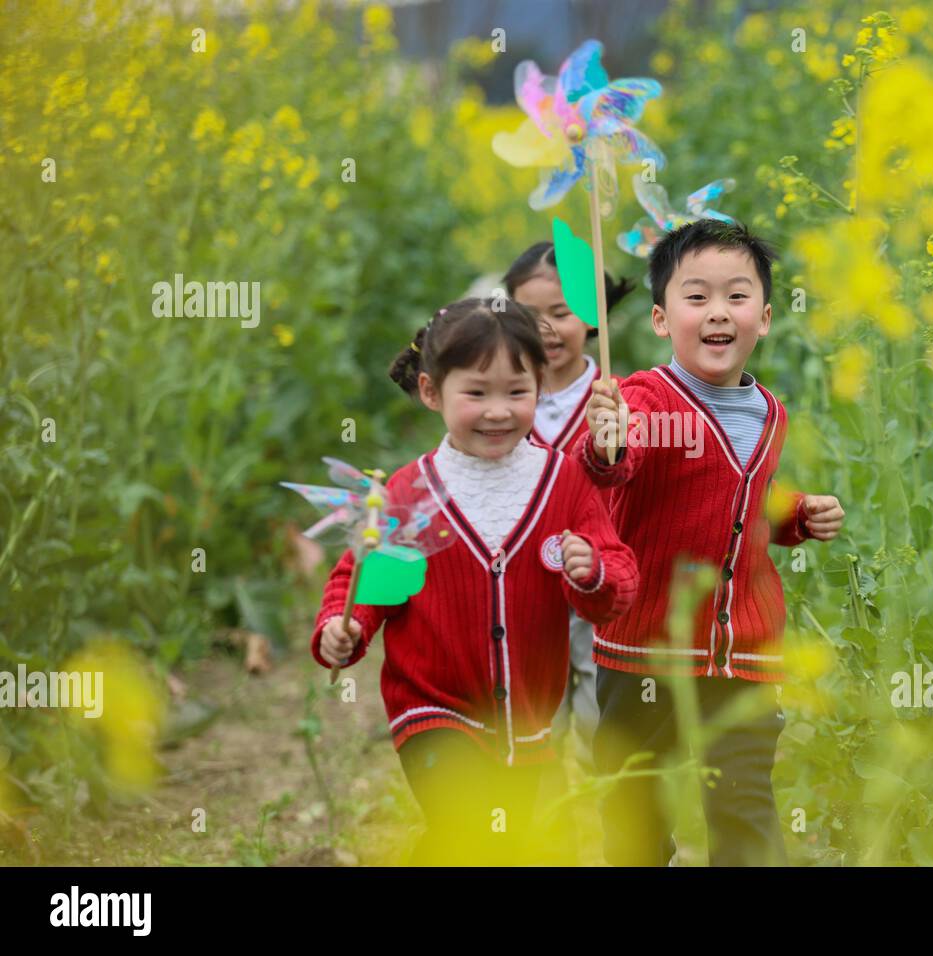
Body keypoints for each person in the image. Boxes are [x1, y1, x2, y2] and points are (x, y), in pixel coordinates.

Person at [311, 297, 638, 865]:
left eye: (517, 392)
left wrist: (594, 573)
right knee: (467, 827)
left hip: (527, 722)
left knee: (502, 844)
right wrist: (345, 631)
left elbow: (617, 579)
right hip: (430, 706)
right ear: (432, 392)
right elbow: (366, 585)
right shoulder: (411, 493)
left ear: (542, 387)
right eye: (476, 393)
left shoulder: (565, 483)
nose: (497, 411)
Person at [576, 219, 846, 866]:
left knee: (742, 804)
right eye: (696, 297)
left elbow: (741, 501)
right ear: (664, 319)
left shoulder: (768, 412)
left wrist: (797, 515)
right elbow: (616, 463)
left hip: (743, 649)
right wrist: (606, 442)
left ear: (766, 316)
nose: (718, 312)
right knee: (633, 811)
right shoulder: (639, 400)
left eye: (737, 296)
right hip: (645, 650)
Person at [503, 242, 634, 773]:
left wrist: (617, 437)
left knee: (597, 708)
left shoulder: (618, 398)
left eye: (562, 313)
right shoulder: (501, 401)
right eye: (530, 317)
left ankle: (601, 814)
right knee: (533, 712)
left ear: (594, 316)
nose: (548, 331)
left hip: (595, 572)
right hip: (525, 581)